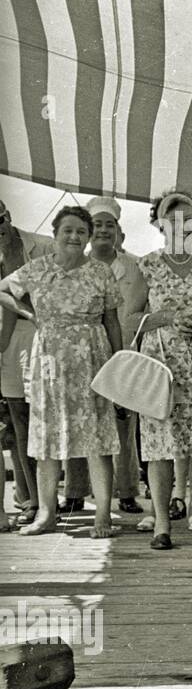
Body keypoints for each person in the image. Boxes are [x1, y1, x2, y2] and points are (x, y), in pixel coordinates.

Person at [0, 206, 122, 537]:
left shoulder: (101, 272)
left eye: (81, 231)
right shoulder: (36, 269)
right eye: (67, 230)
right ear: (54, 234)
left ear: (87, 237)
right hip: (50, 358)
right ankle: (46, 514)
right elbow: (3, 290)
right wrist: (28, 313)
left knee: (97, 438)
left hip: (92, 356)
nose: (74, 236)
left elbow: (111, 319)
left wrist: (117, 362)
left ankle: (103, 517)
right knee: (47, 438)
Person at [126, 191, 192, 550]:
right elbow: (131, 317)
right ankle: (162, 525)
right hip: (162, 362)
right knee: (160, 445)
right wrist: (168, 317)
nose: (182, 225)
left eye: (189, 219)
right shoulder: (148, 264)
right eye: (173, 219)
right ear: (159, 224)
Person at [84, 197, 145, 515]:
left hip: (124, 352)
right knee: (84, 422)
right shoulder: (75, 264)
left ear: (118, 230)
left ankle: (127, 491)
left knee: (123, 423)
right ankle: (76, 492)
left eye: (110, 224)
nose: (103, 230)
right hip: (86, 353)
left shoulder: (135, 265)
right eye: (97, 224)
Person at [0, 199, 52, 527]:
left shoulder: (41, 246)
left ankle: (44, 501)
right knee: (17, 418)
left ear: (8, 216)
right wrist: (26, 310)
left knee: (40, 417)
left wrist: (33, 313)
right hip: (8, 339)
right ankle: (30, 499)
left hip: (42, 335)